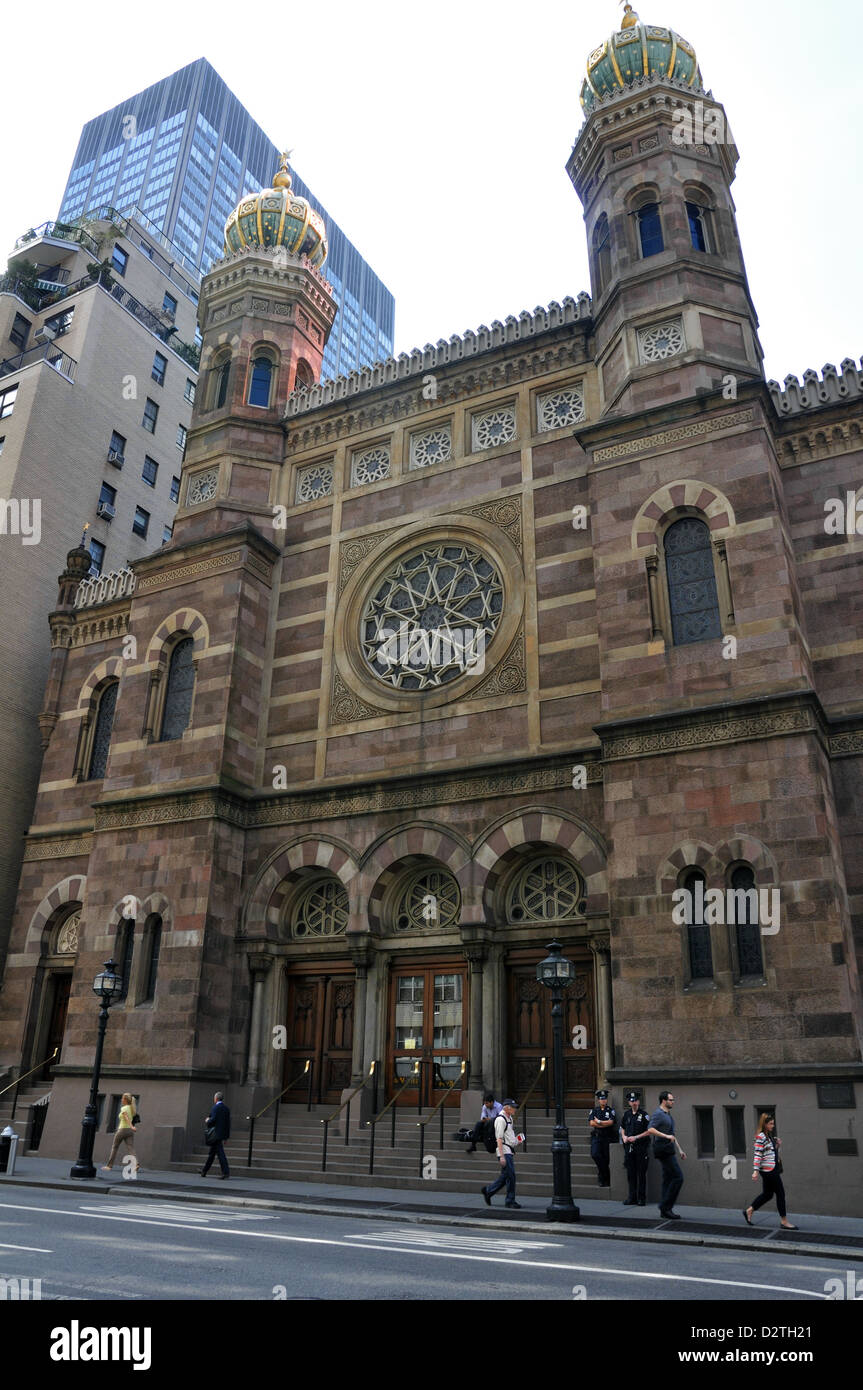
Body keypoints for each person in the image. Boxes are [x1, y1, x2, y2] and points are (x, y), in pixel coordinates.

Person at [744, 1113, 798, 1230]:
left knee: (768, 1194)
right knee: (780, 1193)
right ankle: (784, 1221)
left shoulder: (769, 1136)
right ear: (764, 1124)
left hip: (771, 1168)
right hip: (768, 1170)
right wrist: (755, 1171)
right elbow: (758, 1154)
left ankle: (749, 1210)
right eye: (771, 1124)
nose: (773, 1126)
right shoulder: (761, 1137)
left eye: (773, 1123)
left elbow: (769, 1153)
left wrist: (777, 1145)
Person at [646, 1090, 686, 1219]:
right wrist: (665, 1136)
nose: (673, 1102)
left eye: (673, 1100)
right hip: (662, 1149)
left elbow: (672, 1135)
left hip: (669, 1149)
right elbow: (650, 1129)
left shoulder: (668, 1115)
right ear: (664, 1101)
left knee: (668, 1179)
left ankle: (664, 1211)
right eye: (671, 1100)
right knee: (678, 1177)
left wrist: (680, 1150)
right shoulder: (658, 1114)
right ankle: (665, 1206)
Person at [480, 1099, 525, 1209]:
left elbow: (509, 1138)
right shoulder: (501, 1120)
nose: (515, 1109)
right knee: (511, 1176)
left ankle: (488, 1191)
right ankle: (509, 1200)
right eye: (513, 1107)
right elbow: (499, 1139)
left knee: (507, 1175)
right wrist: (502, 1156)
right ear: (506, 1107)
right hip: (504, 1151)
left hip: (508, 1150)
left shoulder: (509, 1119)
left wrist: (517, 1141)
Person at [620, 1090, 650, 1205]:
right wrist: (623, 1136)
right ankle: (631, 1197)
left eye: (636, 1101)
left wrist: (636, 1137)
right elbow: (622, 1127)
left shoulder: (644, 1115)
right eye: (632, 1101)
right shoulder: (626, 1114)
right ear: (629, 1103)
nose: (634, 1103)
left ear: (639, 1101)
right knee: (630, 1173)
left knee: (641, 1174)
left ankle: (641, 1198)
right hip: (629, 1148)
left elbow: (649, 1131)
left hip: (641, 1148)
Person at [101, 1092, 137, 1172]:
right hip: (129, 1131)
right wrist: (131, 1128)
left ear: (125, 1100)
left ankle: (109, 1166)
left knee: (115, 1147)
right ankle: (135, 1164)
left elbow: (126, 1118)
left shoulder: (124, 1108)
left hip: (122, 1130)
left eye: (122, 1098)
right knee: (130, 1147)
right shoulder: (131, 1109)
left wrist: (132, 1126)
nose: (121, 1100)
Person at [588, 1089, 617, 1187]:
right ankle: (603, 1174)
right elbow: (592, 1123)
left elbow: (611, 1123)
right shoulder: (594, 1110)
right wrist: (604, 1124)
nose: (603, 1100)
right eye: (601, 1099)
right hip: (597, 1137)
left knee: (606, 1159)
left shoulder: (610, 1110)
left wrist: (599, 1122)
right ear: (598, 1100)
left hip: (607, 1137)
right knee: (595, 1154)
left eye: (605, 1099)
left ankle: (604, 1179)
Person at [201, 1091, 231, 1179]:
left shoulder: (215, 1108)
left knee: (220, 1154)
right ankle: (204, 1171)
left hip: (215, 1135)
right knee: (212, 1153)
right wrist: (226, 1137)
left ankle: (226, 1172)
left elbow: (212, 1120)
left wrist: (207, 1121)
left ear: (216, 1099)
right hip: (221, 1135)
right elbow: (228, 1124)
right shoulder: (226, 1109)